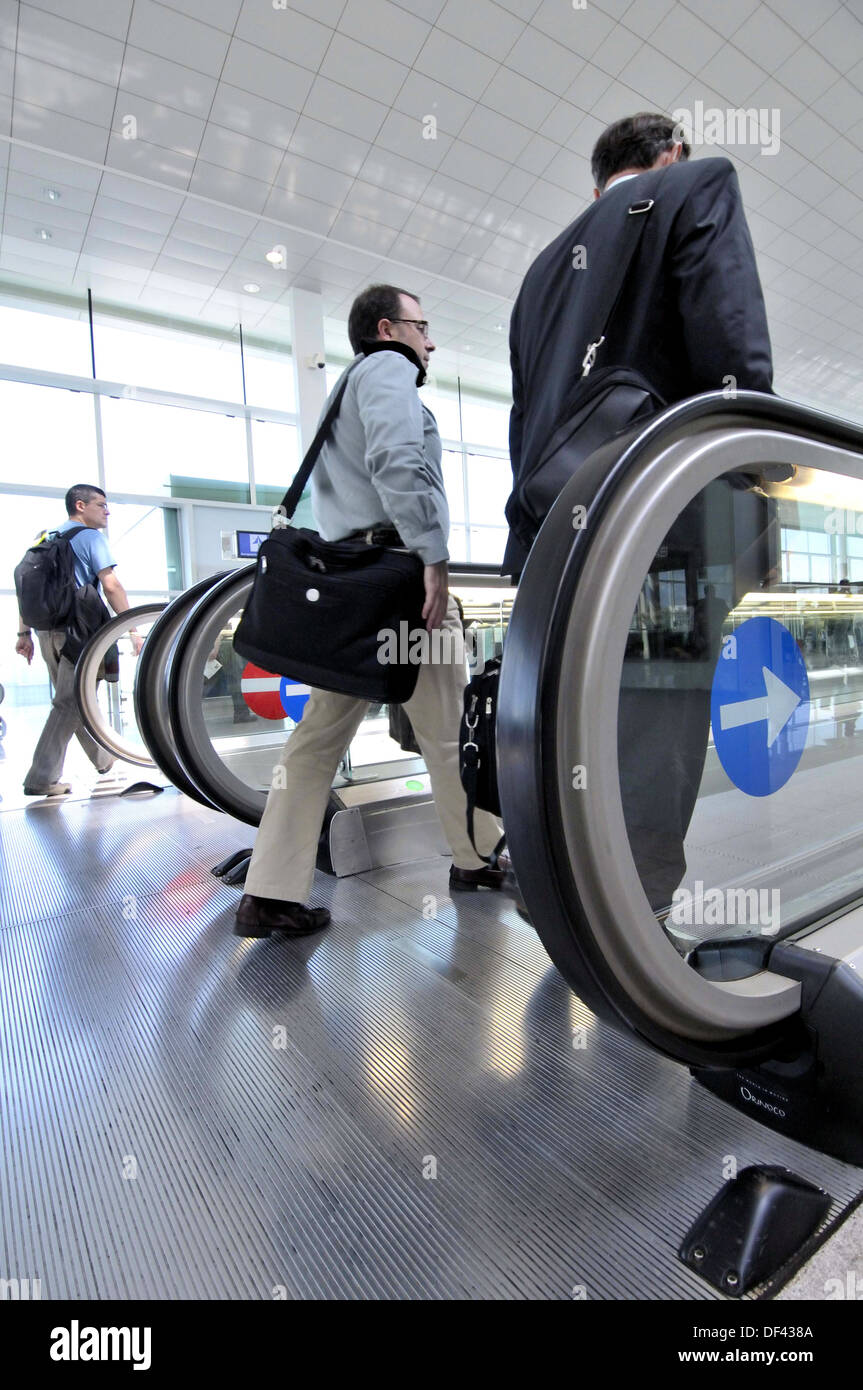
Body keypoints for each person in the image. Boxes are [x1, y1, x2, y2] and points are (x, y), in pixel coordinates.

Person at [504, 113, 775, 913]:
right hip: (661, 518)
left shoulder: (543, 269)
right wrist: (757, 469)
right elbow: (731, 347)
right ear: (671, 155)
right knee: (658, 713)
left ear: (598, 182)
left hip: (558, 532)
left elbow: (526, 421)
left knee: (576, 711)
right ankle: (634, 920)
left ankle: (556, 888)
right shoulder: (697, 185)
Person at [235, 284, 506, 938]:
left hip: (356, 589)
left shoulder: (345, 386)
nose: (429, 340)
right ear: (387, 328)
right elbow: (396, 459)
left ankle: (269, 893)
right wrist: (432, 556)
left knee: (315, 740)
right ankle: (473, 858)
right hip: (403, 586)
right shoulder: (387, 369)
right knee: (444, 731)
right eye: (421, 326)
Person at [16, 483, 142, 797]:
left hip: (47, 633)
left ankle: (105, 762)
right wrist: (133, 629)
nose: (107, 511)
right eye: (101, 504)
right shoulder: (90, 538)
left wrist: (24, 633)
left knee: (79, 700)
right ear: (80, 506)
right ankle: (41, 778)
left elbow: (27, 591)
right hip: (77, 632)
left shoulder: (44, 538)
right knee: (70, 702)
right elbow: (111, 585)